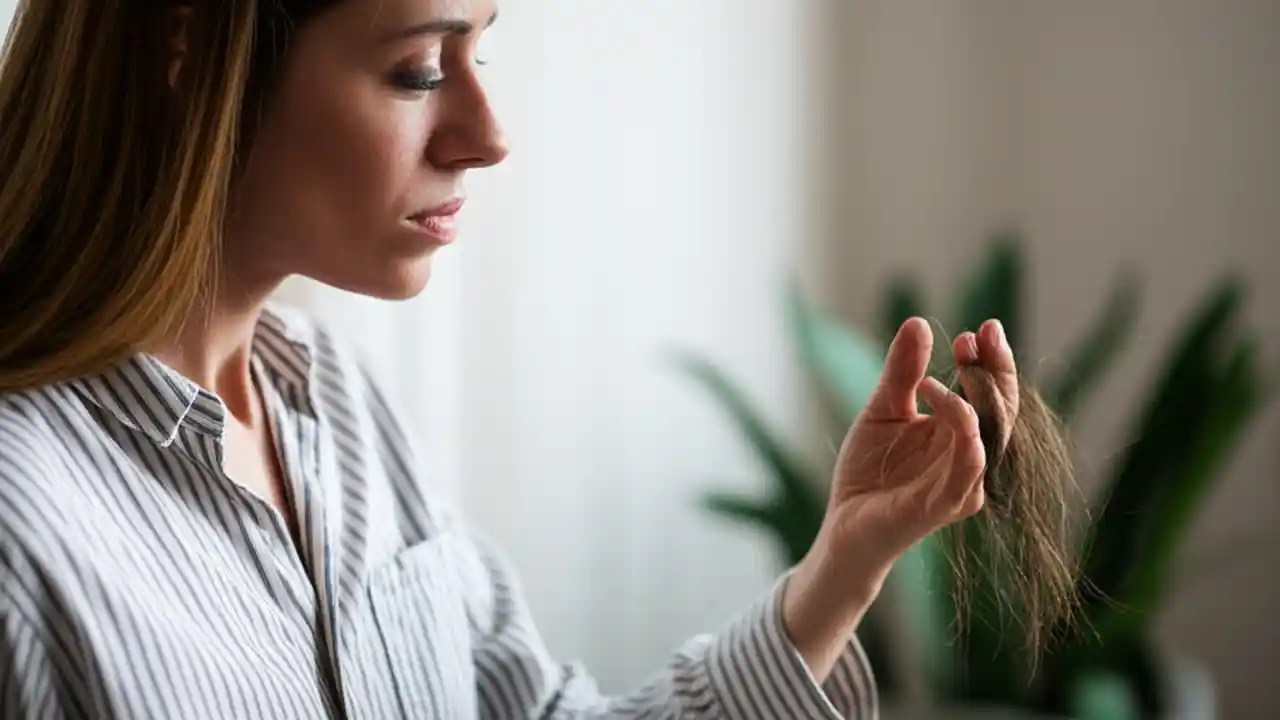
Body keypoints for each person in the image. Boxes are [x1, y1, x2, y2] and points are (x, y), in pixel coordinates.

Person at [0, 0, 1019, 717]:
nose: (486, 135)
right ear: (187, 49)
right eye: (418, 70)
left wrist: (844, 565)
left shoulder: (341, 412)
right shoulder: (24, 527)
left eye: (477, 54)